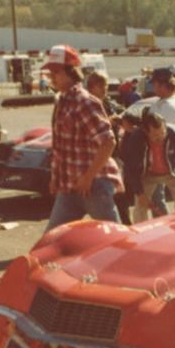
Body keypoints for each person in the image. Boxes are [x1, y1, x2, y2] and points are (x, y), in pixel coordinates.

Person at [42, 44, 123, 231]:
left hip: (93, 187)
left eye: (55, 72)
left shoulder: (84, 101)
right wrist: (56, 178)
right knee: (52, 240)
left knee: (114, 241)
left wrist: (88, 178)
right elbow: (61, 146)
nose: (51, 77)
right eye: (50, 72)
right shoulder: (62, 101)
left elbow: (108, 142)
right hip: (69, 188)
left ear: (70, 72)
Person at [126, 110, 175, 222]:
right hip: (147, 174)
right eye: (155, 135)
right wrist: (139, 193)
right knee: (140, 208)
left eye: (163, 133)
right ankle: (141, 235)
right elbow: (131, 168)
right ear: (146, 132)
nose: (160, 137)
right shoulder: (135, 139)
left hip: (172, 173)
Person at [86, 71, 130, 224]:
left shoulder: (106, 102)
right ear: (93, 87)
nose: (106, 89)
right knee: (110, 195)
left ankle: (125, 222)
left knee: (120, 193)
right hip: (101, 157)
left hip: (114, 154)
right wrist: (111, 121)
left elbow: (122, 111)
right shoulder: (88, 105)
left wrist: (120, 117)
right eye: (102, 86)